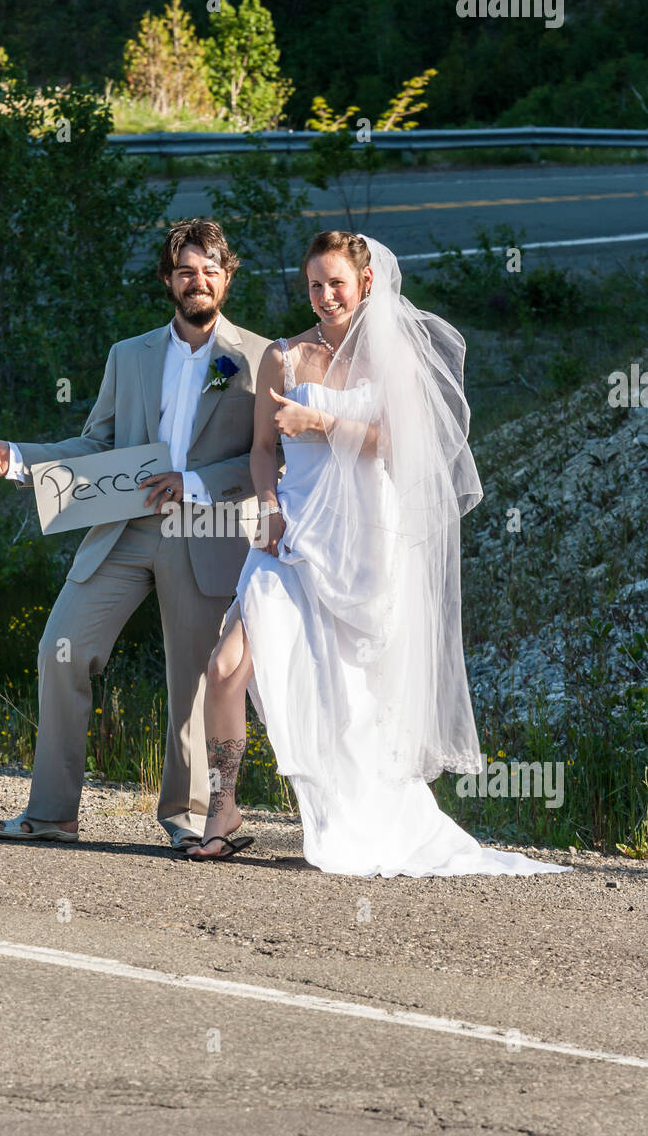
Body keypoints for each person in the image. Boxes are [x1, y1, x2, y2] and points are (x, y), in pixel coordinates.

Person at [187, 231, 573, 878]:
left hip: (363, 544)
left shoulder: (391, 361)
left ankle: (363, 814)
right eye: (314, 284)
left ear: (365, 284)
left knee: (350, 698)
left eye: (336, 282)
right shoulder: (282, 358)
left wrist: (324, 424)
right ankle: (221, 808)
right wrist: (268, 505)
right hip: (292, 537)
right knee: (225, 667)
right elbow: (261, 450)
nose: (325, 295)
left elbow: (402, 444)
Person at [0, 219, 272, 851]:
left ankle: (191, 819)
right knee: (62, 648)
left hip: (208, 529)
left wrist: (193, 481)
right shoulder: (128, 354)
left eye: (211, 270)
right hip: (123, 530)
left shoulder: (257, 358)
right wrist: (24, 459)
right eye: (186, 270)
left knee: (194, 679)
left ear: (227, 276)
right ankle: (52, 813)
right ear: (168, 279)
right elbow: (97, 443)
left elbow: (262, 457)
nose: (199, 281)